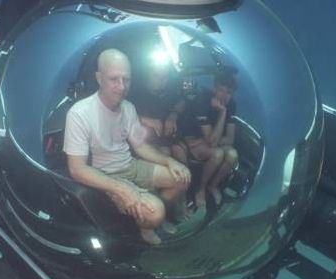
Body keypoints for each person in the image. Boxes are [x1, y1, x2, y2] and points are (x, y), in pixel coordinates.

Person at [63, 49, 190, 245]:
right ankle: (149, 225)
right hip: (106, 175)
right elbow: (76, 169)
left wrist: (169, 161)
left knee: (182, 178)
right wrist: (121, 189)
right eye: (114, 79)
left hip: (129, 165)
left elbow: (140, 146)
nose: (122, 87)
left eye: (126, 79)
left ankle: (149, 220)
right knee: (156, 213)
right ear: (99, 78)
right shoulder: (79, 113)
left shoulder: (128, 107)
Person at [179, 71, 239, 215]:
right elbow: (213, 142)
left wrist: (223, 112)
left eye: (229, 92)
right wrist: (212, 138)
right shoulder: (202, 100)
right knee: (217, 154)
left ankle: (213, 185)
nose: (224, 96)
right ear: (214, 89)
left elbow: (230, 139)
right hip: (190, 140)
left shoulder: (231, 105)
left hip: (204, 140)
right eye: (221, 90)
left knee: (233, 154)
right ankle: (201, 188)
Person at [129, 64, 187, 166]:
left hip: (164, 138)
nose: (161, 80)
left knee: (180, 151)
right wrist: (145, 120)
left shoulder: (168, 93)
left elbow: (181, 102)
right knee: (165, 152)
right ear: (147, 76)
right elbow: (122, 113)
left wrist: (173, 115)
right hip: (141, 141)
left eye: (164, 77)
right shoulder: (135, 93)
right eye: (156, 76)